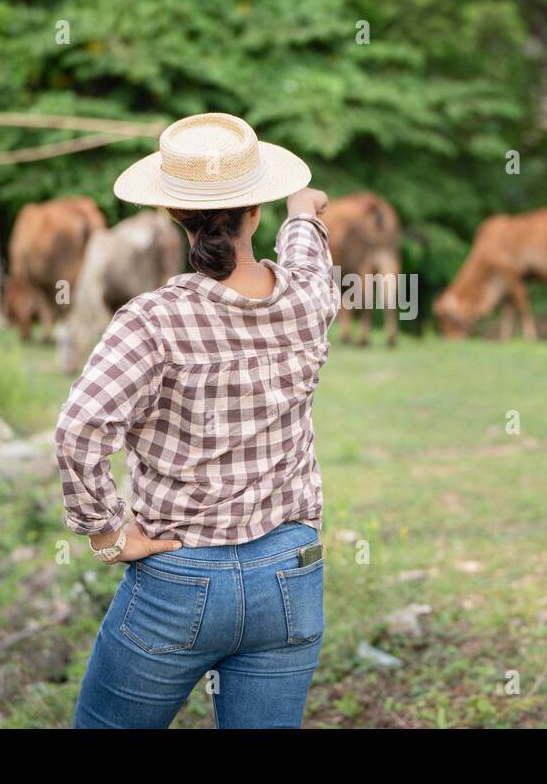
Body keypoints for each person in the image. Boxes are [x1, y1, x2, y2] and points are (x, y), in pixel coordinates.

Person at [54, 112, 336, 728]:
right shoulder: (309, 300)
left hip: (178, 579)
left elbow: (79, 429)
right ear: (254, 212)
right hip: (290, 575)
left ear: (172, 216)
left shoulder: (150, 320)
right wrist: (305, 213)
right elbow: (307, 255)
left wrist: (106, 533)